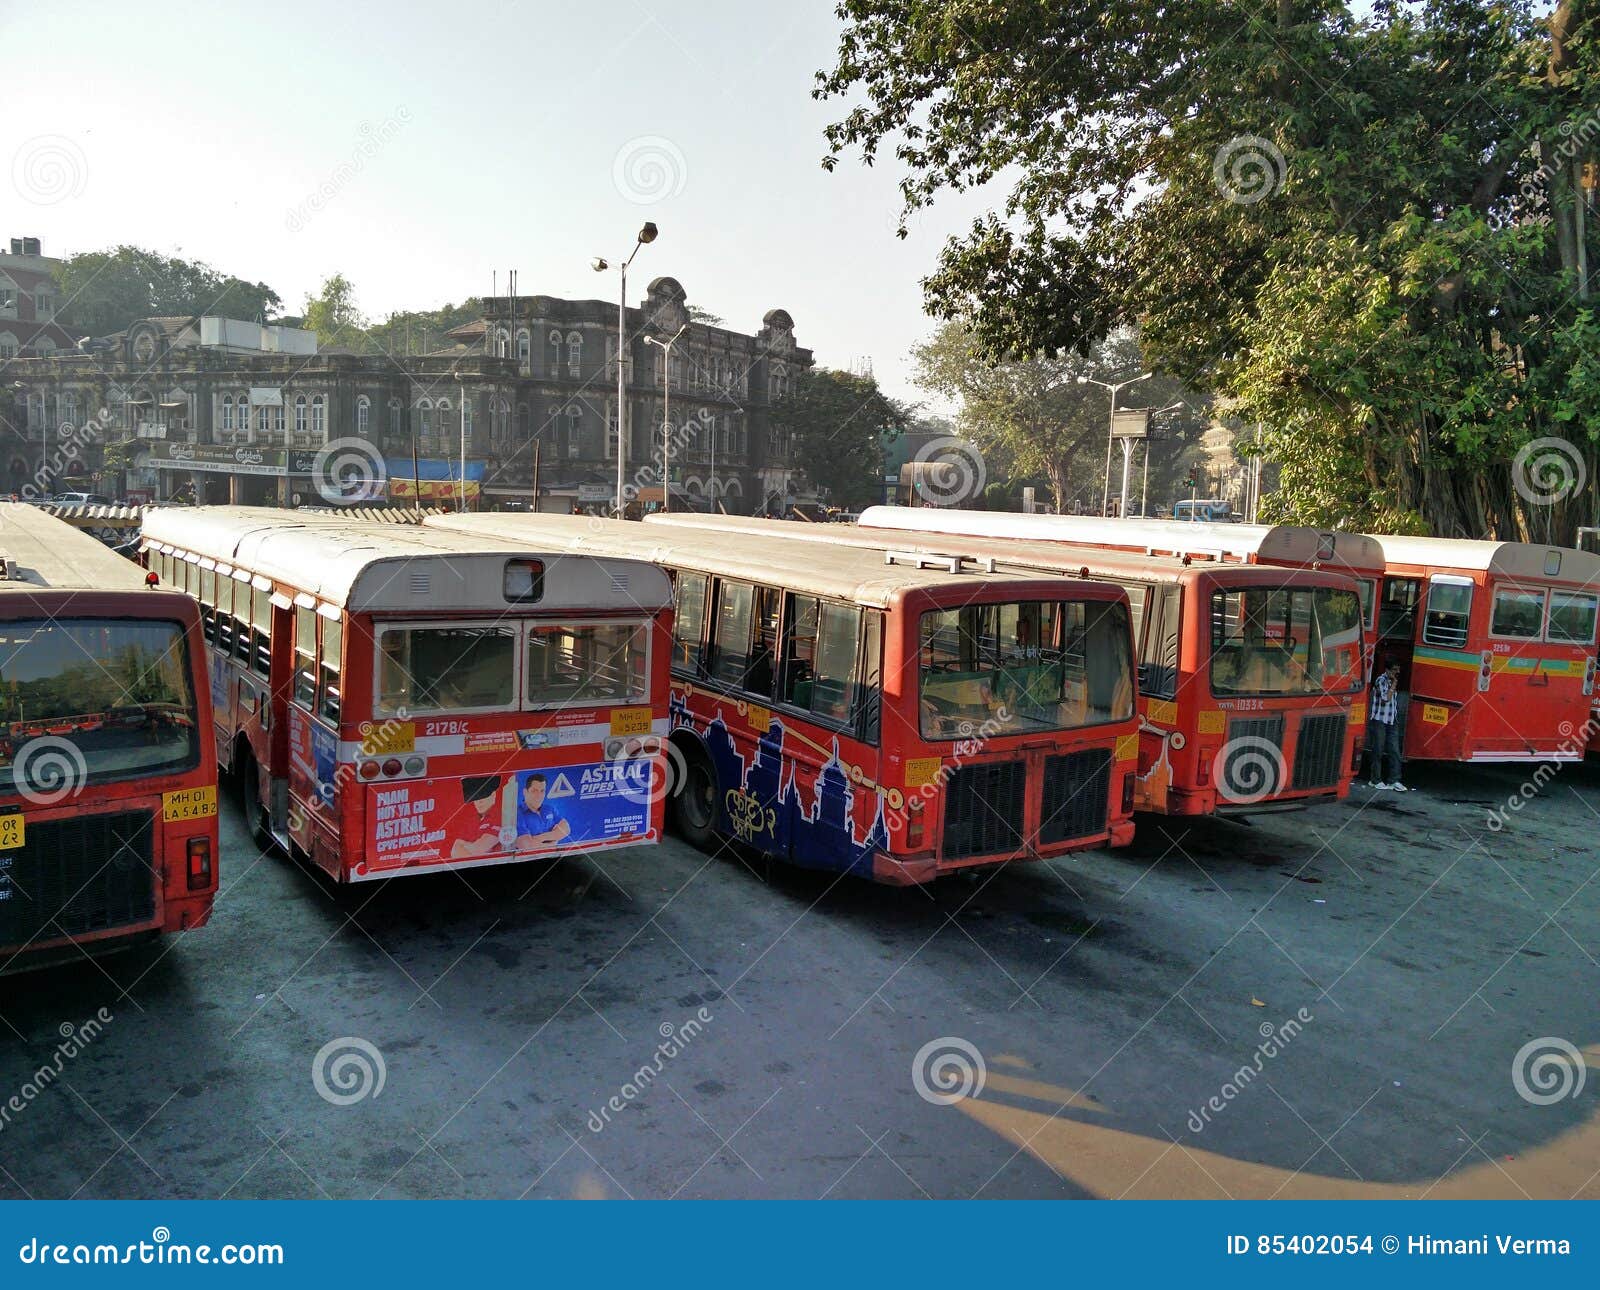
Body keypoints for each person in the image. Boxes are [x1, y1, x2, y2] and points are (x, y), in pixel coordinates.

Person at [1368, 661, 1407, 791]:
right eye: (1395, 669)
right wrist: (1394, 685)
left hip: (1391, 721)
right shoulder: (1381, 680)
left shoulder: (1391, 681)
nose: (1397, 672)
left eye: (1398, 669)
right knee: (1378, 750)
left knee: (1394, 751)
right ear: (1388, 670)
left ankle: (1394, 780)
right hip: (1379, 720)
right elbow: (1386, 699)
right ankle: (1375, 780)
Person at [515, 772, 571, 850]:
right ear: (525, 792)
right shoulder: (518, 814)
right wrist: (553, 843)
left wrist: (540, 838)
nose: (539, 795)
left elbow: (566, 829)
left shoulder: (549, 809)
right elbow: (526, 846)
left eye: (542, 791)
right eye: (534, 791)